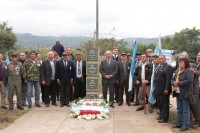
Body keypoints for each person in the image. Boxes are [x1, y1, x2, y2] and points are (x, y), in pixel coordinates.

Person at [172, 58, 193, 131]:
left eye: (182, 62)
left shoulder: (188, 70)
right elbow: (172, 79)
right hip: (177, 92)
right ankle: (179, 123)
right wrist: (173, 82)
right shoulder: (177, 70)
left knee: (185, 110)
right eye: (179, 62)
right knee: (179, 109)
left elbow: (190, 80)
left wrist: (179, 83)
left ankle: (185, 125)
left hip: (185, 93)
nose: (180, 64)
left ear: (186, 63)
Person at [154, 54, 173, 123]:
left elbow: (168, 80)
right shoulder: (158, 66)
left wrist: (167, 89)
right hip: (157, 88)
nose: (161, 59)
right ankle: (161, 115)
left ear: (165, 59)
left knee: (164, 104)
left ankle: (165, 118)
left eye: (162, 58)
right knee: (160, 104)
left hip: (164, 89)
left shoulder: (168, 67)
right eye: (159, 58)